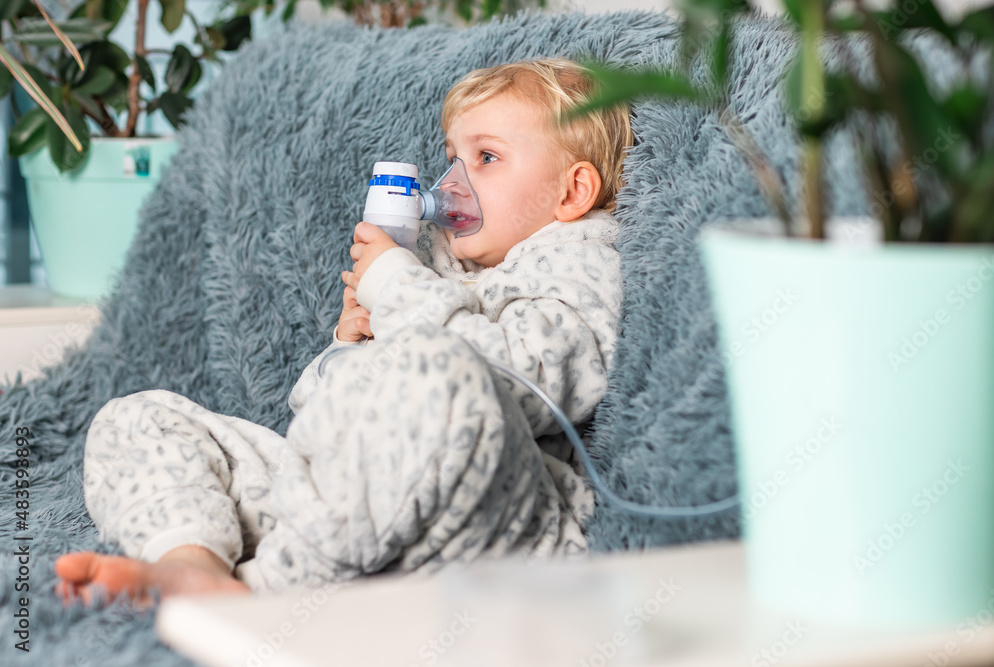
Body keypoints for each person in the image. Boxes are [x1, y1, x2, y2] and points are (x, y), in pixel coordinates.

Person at [54, 58, 633, 606]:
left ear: (571, 192)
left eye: (486, 157)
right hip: (339, 508)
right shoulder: (435, 262)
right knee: (138, 418)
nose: (452, 181)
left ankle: (266, 593)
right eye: (451, 156)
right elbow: (314, 416)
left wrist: (399, 289)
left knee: (438, 367)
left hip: (492, 515)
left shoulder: (576, 266)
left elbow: (521, 382)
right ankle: (192, 563)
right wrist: (347, 348)